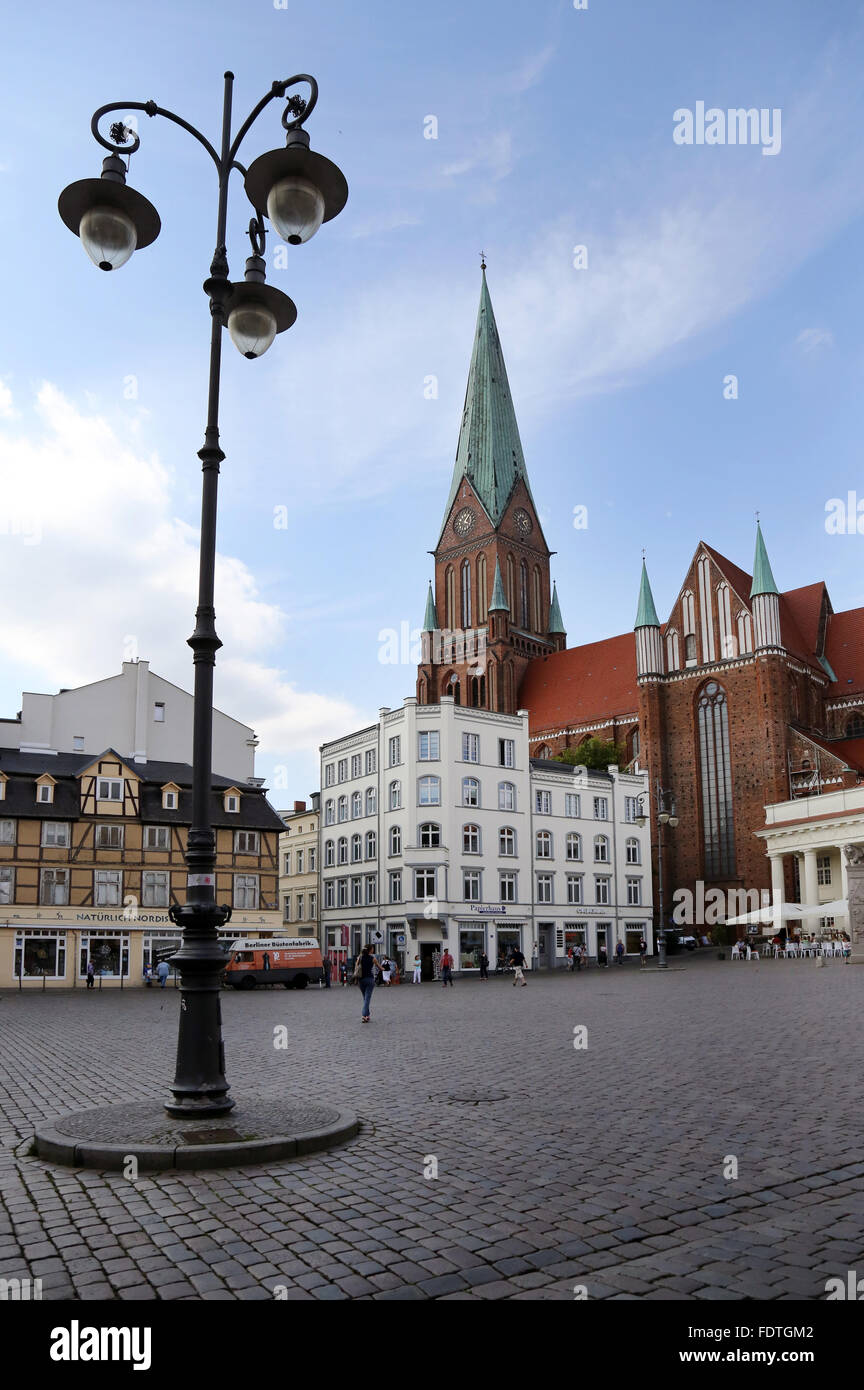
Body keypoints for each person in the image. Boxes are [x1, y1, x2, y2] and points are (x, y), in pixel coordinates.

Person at [354, 943, 380, 1022]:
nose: (373, 949)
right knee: (367, 998)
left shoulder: (360, 958)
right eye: (372, 948)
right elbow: (380, 967)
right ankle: (364, 1015)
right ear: (370, 950)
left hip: (361, 980)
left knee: (365, 998)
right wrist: (384, 969)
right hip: (369, 980)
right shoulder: (373, 958)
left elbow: (356, 967)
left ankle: (367, 1014)